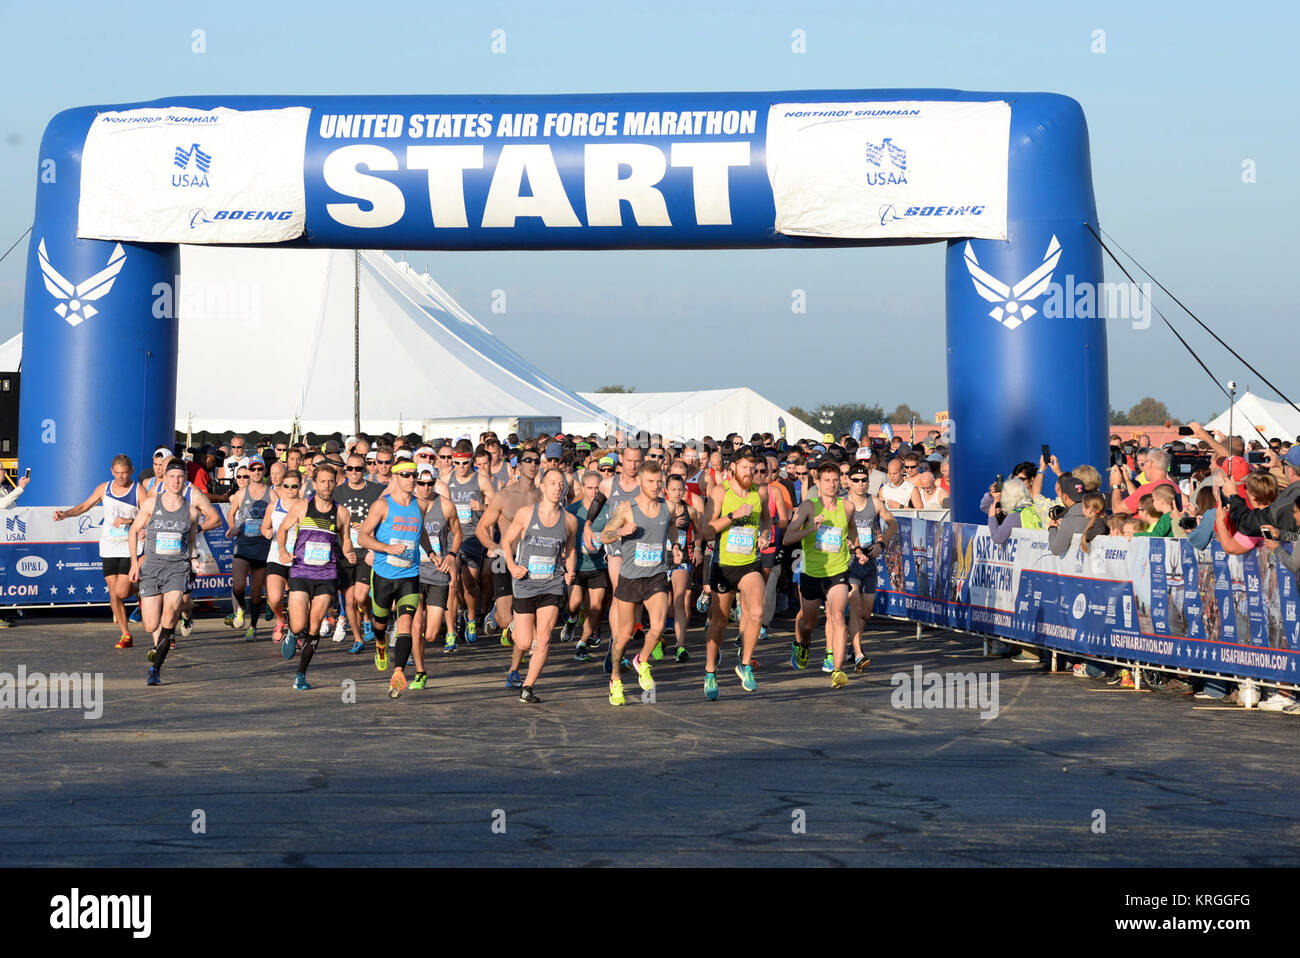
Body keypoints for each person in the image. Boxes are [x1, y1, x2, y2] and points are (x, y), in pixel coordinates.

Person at [128, 459, 220, 686]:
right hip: (151, 567)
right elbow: (133, 530)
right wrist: (133, 562)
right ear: (165, 479)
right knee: (151, 625)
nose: (176, 481)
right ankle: (162, 638)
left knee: (169, 615)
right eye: (172, 477)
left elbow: (190, 539)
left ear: (184, 480)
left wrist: (191, 559)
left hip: (177, 569)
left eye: (180, 477)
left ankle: (155, 669)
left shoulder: (190, 511)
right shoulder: (151, 504)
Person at [783, 461, 872, 688]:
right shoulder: (808, 507)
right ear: (818, 482)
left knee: (837, 615)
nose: (832, 485)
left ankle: (838, 670)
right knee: (809, 623)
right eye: (827, 481)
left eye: (835, 480)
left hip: (838, 571)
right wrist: (811, 528)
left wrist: (857, 550)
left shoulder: (847, 507)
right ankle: (803, 643)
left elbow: (851, 529)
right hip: (812, 573)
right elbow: (788, 538)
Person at [600, 461, 675, 706]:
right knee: (623, 636)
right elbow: (605, 535)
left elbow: (671, 528)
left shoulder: (667, 508)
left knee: (658, 625)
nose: (655, 486)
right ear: (641, 482)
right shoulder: (627, 508)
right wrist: (622, 532)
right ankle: (615, 679)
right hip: (630, 577)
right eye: (650, 482)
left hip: (656, 575)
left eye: (658, 481)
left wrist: (675, 547)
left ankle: (642, 660)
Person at [276, 463, 357, 691]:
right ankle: (292, 633)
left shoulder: (342, 513)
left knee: (313, 628)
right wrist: (283, 551)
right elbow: (282, 530)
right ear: (314, 483)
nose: (326, 486)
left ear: (336, 483)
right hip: (301, 572)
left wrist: (349, 551)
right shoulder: (302, 507)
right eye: (322, 481)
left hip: (327, 575)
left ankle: (300, 674)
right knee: (299, 623)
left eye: (330, 481)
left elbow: (346, 538)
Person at [53, 455, 145, 648]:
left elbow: (149, 515)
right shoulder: (104, 488)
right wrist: (66, 514)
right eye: (118, 473)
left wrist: (130, 522)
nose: (121, 477)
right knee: (114, 594)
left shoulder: (138, 490)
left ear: (131, 471)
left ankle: (141, 589)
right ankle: (126, 634)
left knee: (122, 590)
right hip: (109, 545)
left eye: (125, 473)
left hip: (131, 546)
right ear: (112, 471)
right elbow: (85, 506)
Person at [500, 469, 576, 703]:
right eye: (552, 483)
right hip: (525, 584)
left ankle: (528, 687)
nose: (557, 487)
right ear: (542, 487)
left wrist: (570, 571)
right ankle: (513, 626)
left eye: (561, 484)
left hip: (552, 584)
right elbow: (506, 541)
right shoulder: (526, 514)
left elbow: (570, 550)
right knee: (524, 642)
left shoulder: (569, 520)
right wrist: (512, 566)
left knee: (543, 640)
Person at [703, 451, 770, 698]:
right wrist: (732, 517)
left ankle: (745, 663)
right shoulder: (721, 492)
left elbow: (766, 521)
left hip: (749, 562)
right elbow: (706, 530)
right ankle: (710, 671)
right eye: (744, 468)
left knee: (757, 612)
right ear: (733, 468)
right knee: (719, 622)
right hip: (724, 565)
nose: (749, 473)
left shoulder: (759, 492)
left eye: (753, 469)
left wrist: (764, 536)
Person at [356, 461, 424, 698]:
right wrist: (386, 548)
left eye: (414, 475)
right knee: (380, 624)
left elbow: (421, 532)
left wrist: (433, 553)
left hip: (410, 575)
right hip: (384, 575)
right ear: (395, 477)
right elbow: (364, 537)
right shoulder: (382, 505)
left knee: (406, 624)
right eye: (407, 475)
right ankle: (380, 643)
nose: (412, 479)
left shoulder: (418, 505)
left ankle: (398, 673)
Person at [477, 446, 543, 667]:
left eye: (536, 461)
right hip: (505, 559)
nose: (533, 465)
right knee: (505, 619)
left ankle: (521, 651)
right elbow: (482, 528)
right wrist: (493, 545)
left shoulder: (542, 496)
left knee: (528, 613)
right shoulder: (504, 495)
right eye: (528, 461)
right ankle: (499, 613)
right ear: (518, 465)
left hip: (532, 562)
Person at [844, 461, 895, 670]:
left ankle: (853, 644)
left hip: (870, 560)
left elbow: (892, 523)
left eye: (864, 480)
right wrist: (846, 542)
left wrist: (882, 544)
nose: (860, 484)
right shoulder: (843, 503)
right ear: (848, 482)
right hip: (849, 560)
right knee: (854, 602)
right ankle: (857, 652)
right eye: (855, 480)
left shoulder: (875, 503)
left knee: (865, 612)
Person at [335, 453, 386, 654]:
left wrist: (374, 545)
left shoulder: (376, 491)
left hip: (367, 551)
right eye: (350, 469)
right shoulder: (337, 493)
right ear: (345, 470)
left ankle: (367, 615)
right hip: (345, 552)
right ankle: (358, 639)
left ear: (365, 470)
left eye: (358, 469)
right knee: (349, 600)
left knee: (361, 595)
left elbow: (385, 519)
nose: (354, 473)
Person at [446, 439, 496, 643]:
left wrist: (482, 507)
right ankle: (452, 630)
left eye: (465, 463)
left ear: (471, 461)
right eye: (457, 463)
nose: (460, 468)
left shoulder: (481, 479)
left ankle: (471, 617)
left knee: (470, 585)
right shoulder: (446, 479)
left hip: (474, 538)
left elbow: (496, 507)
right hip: (452, 539)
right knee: (452, 582)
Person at [412, 466, 461, 671]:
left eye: (429, 483)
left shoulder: (446, 505)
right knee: (416, 626)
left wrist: (451, 556)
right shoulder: (409, 505)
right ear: (415, 483)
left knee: (431, 634)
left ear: (435, 482)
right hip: (412, 572)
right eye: (421, 483)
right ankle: (419, 668)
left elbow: (457, 533)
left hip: (437, 572)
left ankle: (415, 644)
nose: (425, 487)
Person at [563, 469, 611, 661]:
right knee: (574, 604)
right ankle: (572, 619)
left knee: (596, 607)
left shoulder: (608, 511)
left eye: (597, 488)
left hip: (599, 565)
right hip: (578, 564)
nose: (593, 492)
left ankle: (582, 643)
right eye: (589, 487)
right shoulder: (572, 511)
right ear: (582, 488)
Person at [224, 456, 272, 640]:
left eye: (260, 469)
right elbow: (231, 513)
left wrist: (271, 531)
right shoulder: (241, 494)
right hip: (243, 546)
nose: (257, 472)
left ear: (264, 471)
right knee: (238, 586)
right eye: (253, 469)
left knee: (256, 592)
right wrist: (232, 528)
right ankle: (241, 608)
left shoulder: (272, 494)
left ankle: (253, 626)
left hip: (262, 549)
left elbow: (279, 516)